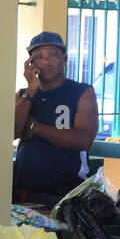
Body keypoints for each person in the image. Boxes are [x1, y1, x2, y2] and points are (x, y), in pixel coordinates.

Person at [13, 32, 98, 205]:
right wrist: (31, 90)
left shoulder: (82, 92)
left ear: (64, 59)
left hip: (65, 193)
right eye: (38, 57)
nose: (45, 62)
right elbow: (12, 132)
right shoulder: (24, 95)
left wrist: (35, 128)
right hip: (24, 190)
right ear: (31, 64)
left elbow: (84, 140)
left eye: (52, 55)